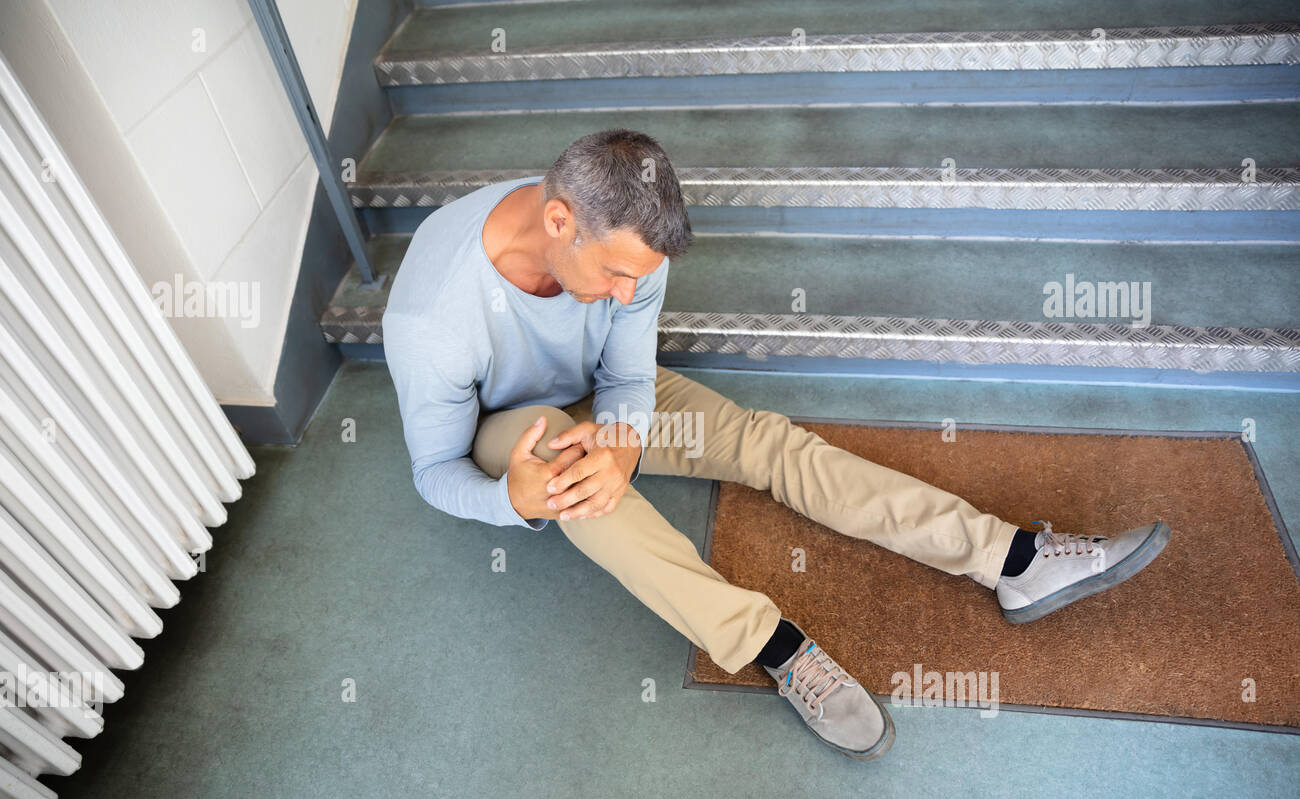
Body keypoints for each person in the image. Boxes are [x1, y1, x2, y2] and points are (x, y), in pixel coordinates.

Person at [382, 129, 1171, 763]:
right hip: (510, 435)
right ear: (560, 222)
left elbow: (626, 373)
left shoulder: (632, 251)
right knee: (572, 484)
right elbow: (432, 471)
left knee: (765, 445)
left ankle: (1014, 560)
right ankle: (774, 645)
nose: (630, 292)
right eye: (618, 275)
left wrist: (623, 438)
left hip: (595, 400)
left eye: (641, 279)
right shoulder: (434, 320)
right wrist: (509, 501)